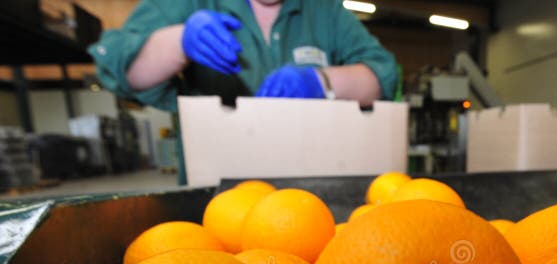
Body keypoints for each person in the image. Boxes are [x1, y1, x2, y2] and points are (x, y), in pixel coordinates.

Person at [89, 0, 398, 180]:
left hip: (309, 190)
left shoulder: (324, 11)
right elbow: (117, 66)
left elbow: (383, 74)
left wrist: (322, 81)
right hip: (216, 190)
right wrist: (180, 42)